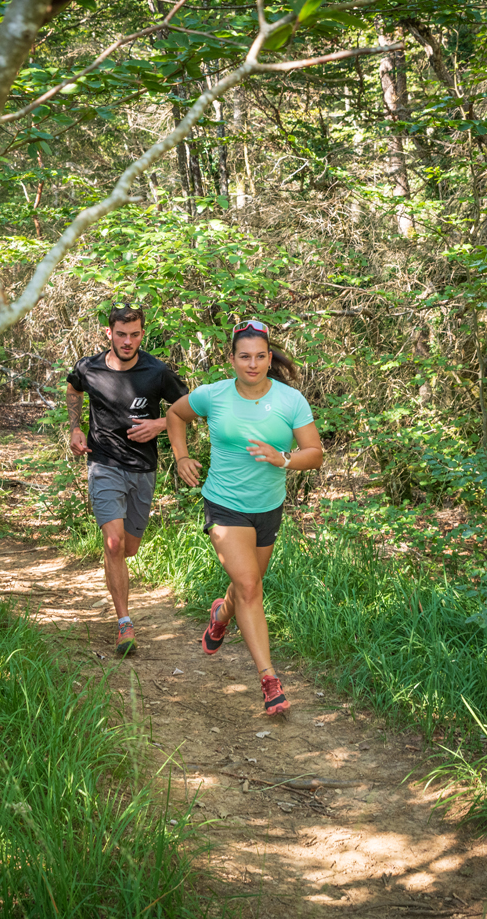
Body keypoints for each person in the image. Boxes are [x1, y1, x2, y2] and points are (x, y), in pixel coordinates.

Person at [166, 319, 322, 715]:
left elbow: (315, 454)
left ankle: (220, 615)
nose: (251, 364)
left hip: (267, 509)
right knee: (251, 586)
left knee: (244, 588)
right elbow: (175, 415)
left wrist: (282, 458)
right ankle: (270, 682)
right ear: (231, 360)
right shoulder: (213, 396)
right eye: (243, 357)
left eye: (259, 357)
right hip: (223, 505)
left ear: (270, 359)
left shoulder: (291, 401)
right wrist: (181, 455)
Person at [67, 305, 188, 657]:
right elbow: (73, 390)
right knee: (115, 544)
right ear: (109, 334)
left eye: (135, 334)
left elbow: (190, 409)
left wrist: (160, 425)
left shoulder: (157, 371)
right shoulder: (89, 367)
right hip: (103, 463)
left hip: (143, 468)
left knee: (130, 547)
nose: (128, 341)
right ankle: (124, 623)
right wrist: (75, 428)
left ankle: (114, 569)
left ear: (142, 334)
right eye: (121, 334)